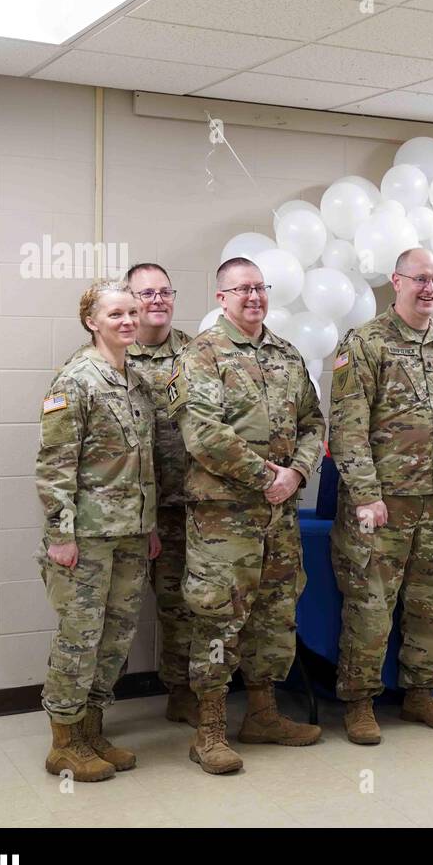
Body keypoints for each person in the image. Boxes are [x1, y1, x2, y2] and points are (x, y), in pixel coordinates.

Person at [169, 257, 325, 774]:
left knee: (275, 612)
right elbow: (205, 435)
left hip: (279, 514)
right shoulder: (203, 355)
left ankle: (263, 714)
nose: (254, 297)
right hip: (224, 516)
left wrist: (297, 473)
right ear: (221, 297)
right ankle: (209, 730)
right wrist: (268, 477)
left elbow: (313, 422)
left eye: (260, 287)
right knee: (219, 615)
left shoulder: (286, 354)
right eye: (242, 289)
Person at [329, 247, 433, 745]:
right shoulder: (364, 342)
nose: (429, 288)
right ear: (396, 282)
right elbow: (346, 424)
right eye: (420, 279)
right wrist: (366, 493)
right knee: (371, 602)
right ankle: (359, 701)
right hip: (383, 502)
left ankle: (421, 692)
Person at [36, 280, 159, 782]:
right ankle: (63, 741)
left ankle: (92, 729)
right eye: (116, 314)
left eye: (133, 312)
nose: (128, 321)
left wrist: (148, 526)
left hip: (130, 533)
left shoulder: (135, 381)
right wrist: (60, 534)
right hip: (85, 536)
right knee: (79, 636)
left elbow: (144, 463)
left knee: (115, 637)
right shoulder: (76, 380)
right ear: (92, 321)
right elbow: (55, 466)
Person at [122, 263, 196, 725]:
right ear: (129, 299)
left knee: (182, 606)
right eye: (146, 293)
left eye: (165, 292)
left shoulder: (196, 353)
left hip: (186, 505)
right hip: (126, 511)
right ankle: (91, 709)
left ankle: (183, 692)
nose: (157, 301)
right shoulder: (112, 353)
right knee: (116, 610)